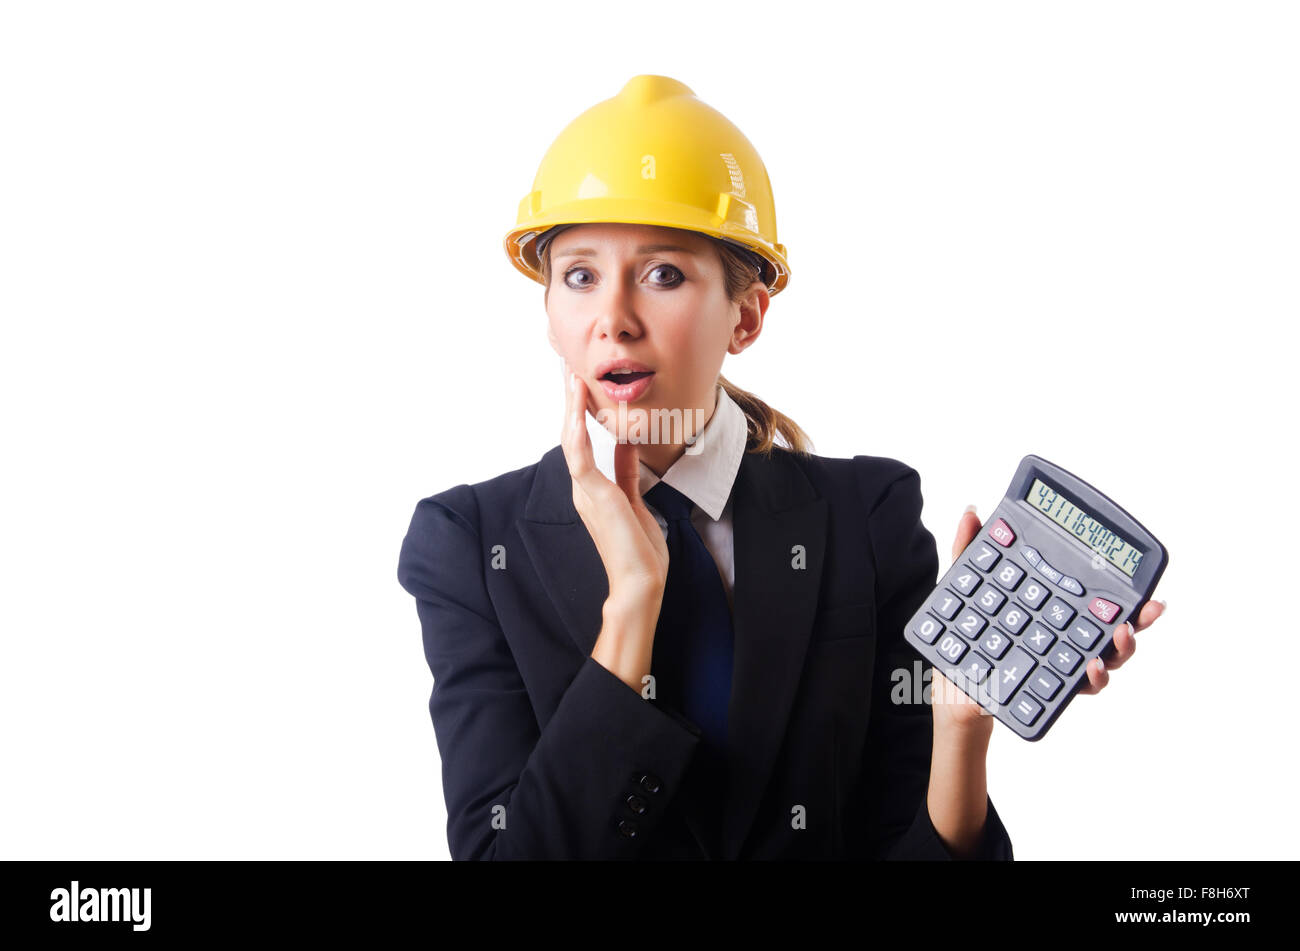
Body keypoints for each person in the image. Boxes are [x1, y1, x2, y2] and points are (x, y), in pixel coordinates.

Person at [396, 75, 1166, 860]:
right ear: (550, 311)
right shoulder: (465, 544)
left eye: (663, 273)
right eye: (581, 275)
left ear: (748, 314)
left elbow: (900, 838)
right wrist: (630, 607)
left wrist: (959, 727)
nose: (614, 321)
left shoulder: (869, 516)